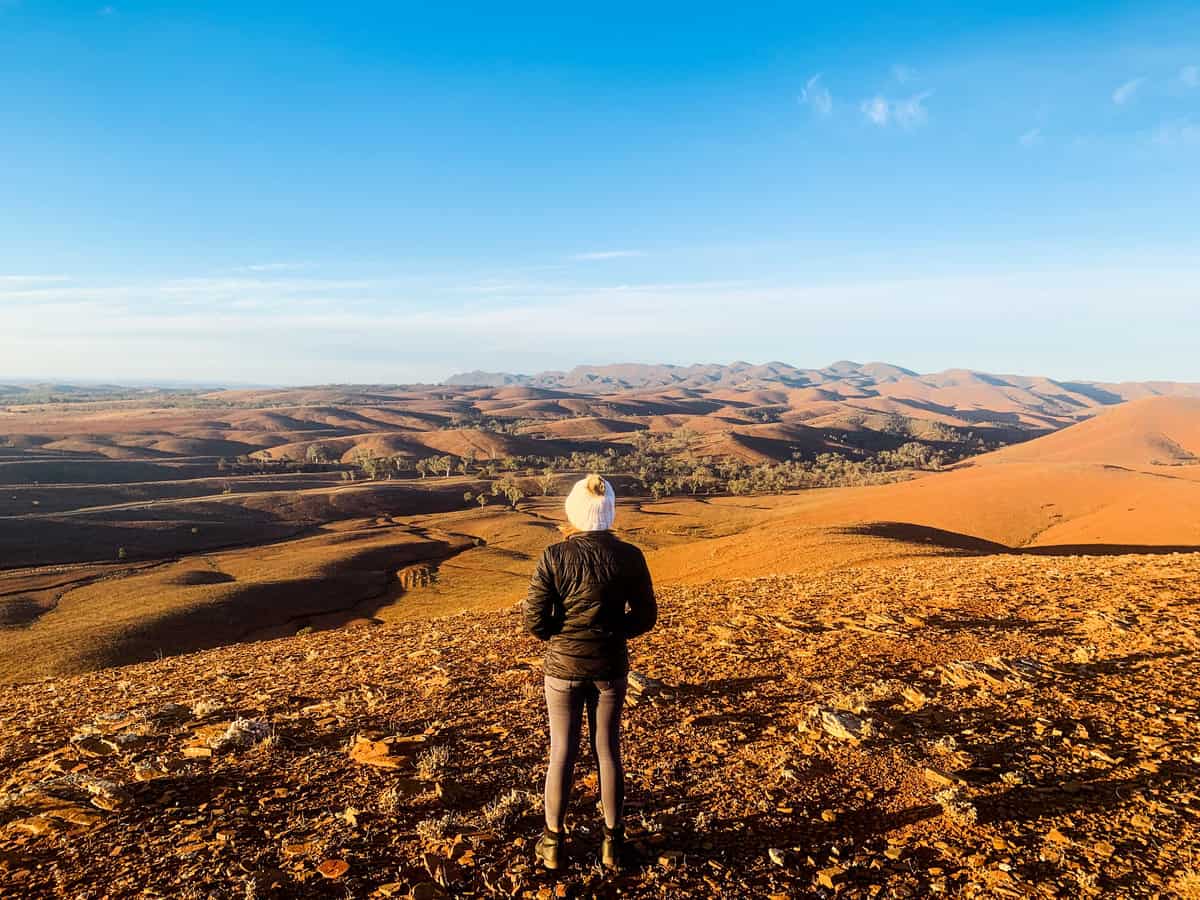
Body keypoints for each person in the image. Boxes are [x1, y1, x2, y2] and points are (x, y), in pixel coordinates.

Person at [523, 473, 657, 871]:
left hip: (562, 668)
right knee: (608, 751)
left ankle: (551, 844)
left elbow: (534, 619)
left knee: (561, 752)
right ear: (610, 512)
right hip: (610, 668)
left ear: (573, 512)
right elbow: (646, 616)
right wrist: (614, 635)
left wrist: (559, 638)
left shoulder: (554, 556)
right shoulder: (630, 556)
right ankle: (613, 845)